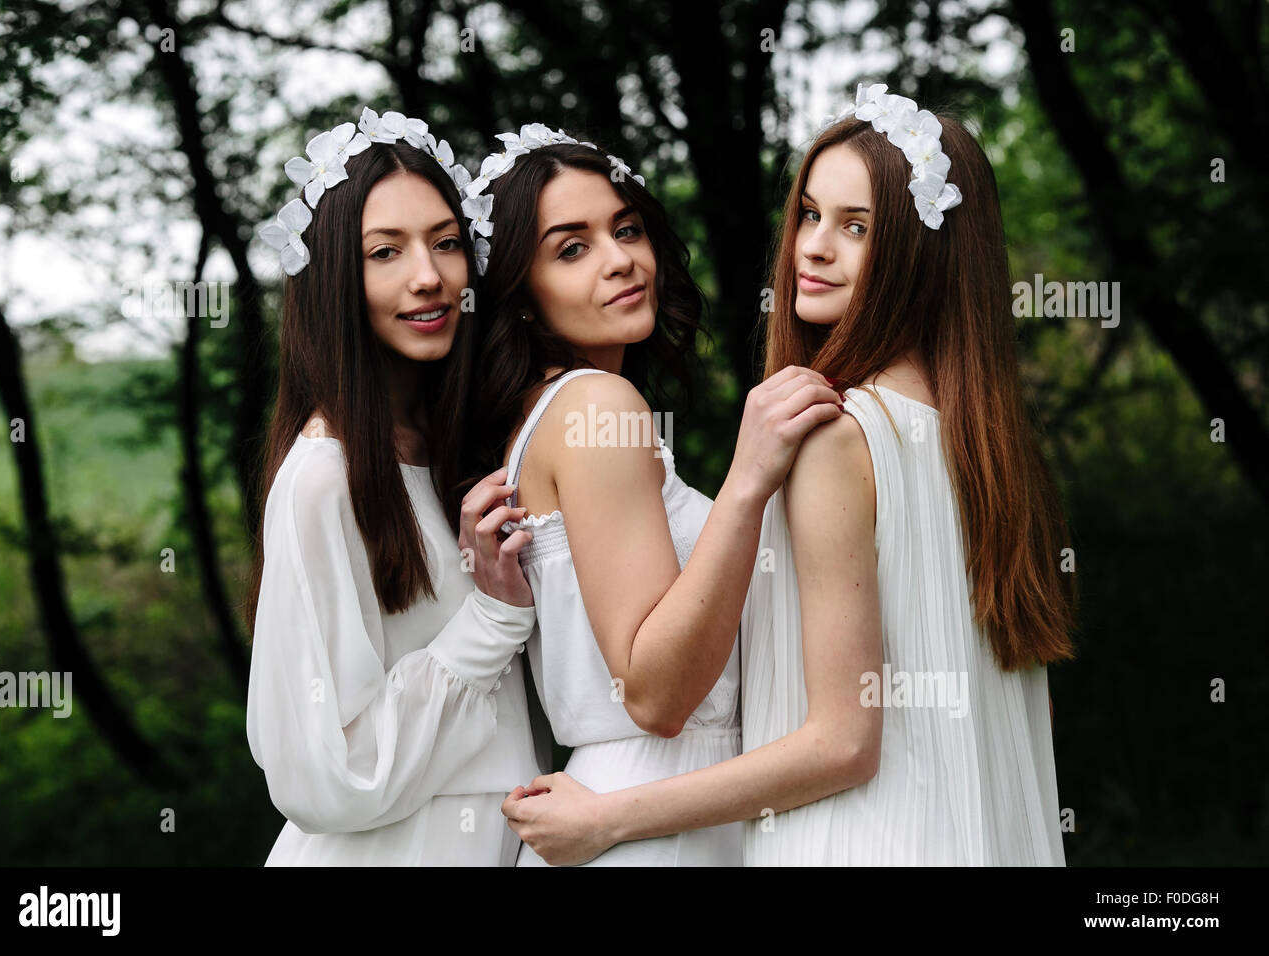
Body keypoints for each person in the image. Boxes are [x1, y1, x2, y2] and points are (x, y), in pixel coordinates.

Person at [502, 87, 1075, 866]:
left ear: (917, 251)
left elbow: (842, 742)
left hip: (851, 839)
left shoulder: (836, 436)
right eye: (808, 214)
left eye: (856, 227)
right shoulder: (988, 449)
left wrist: (608, 817)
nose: (811, 248)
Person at [463, 125, 844, 865]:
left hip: (654, 811)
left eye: (626, 228)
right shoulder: (596, 407)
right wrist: (748, 481)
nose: (620, 261)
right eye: (572, 249)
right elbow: (656, 696)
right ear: (521, 296)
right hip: (645, 824)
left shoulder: (554, 414)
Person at [244, 109, 543, 866]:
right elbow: (325, 774)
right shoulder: (322, 480)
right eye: (386, 251)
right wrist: (493, 621)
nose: (428, 275)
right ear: (337, 279)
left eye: (446, 242)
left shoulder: (465, 450)